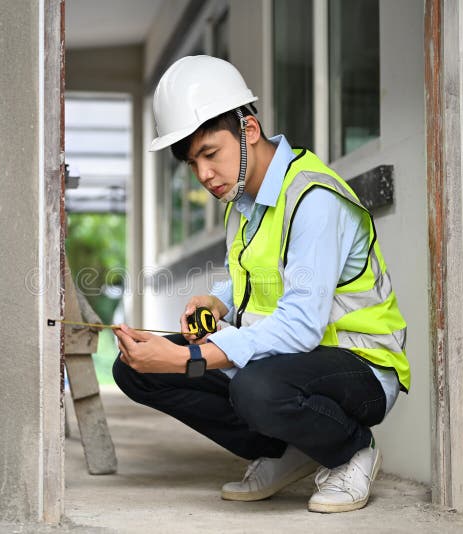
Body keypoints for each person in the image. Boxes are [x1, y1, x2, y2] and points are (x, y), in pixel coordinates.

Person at [112, 55, 410, 513]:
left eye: (210, 154)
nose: (203, 175)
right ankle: (288, 450)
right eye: (193, 163)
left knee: (254, 388)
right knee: (135, 369)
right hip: (289, 363)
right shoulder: (242, 203)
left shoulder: (313, 199)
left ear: (248, 129)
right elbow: (256, 278)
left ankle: (352, 449)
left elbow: (301, 326)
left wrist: (190, 358)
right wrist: (218, 302)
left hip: (359, 366)